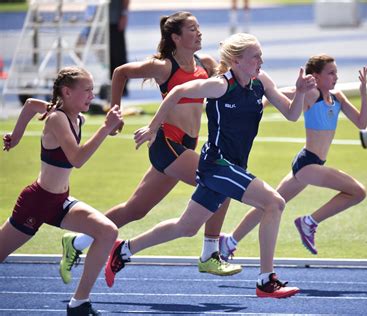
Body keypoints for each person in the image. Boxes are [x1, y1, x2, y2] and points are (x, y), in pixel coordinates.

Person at [104, 33, 316, 298]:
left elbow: (292, 114)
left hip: (233, 166)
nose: (261, 60)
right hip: (217, 164)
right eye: (255, 56)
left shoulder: (261, 81)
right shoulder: (220, 85)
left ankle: (123, 250)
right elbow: (178, 91)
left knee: (186, 227)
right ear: (237, 61)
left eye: (261, 55)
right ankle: (266, 281)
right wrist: (153, 126)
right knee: (274, 202)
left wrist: (301, 92)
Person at [59, 11, 242, 286]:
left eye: (199, 28)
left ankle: (77, 240)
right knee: (223, 182)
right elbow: (120, 73)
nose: (200, 33)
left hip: (186, 145)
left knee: (135, 209)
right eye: (193, 29)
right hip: (166, 144)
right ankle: (209, 253)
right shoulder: (163, 67)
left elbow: (230, 83)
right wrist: (115, 110)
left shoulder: (205, 62)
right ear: (176, 37)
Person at [219, 54, 367, 259]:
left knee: (269, 204)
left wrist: (363, 93)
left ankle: (229, 241)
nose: (336, 77)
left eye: (336, 72)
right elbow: (278, 94)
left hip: (311, 164)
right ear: (315, 76)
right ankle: (309, 221)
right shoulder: (311, 94)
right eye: (331, 73)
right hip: (308, 165)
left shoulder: (338, 97)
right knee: (358, 192)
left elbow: (362, 123)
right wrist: (258, 104)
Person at [0, 66, 123, 315]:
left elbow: (32, 105)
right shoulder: (57, 118)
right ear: (67, 92)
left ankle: (79, 304)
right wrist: (105, 128)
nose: (92, 94)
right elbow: (77, 159)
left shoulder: (76, 117)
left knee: (107, 231)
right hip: (36, 202)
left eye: (92, 89)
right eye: (86, 90)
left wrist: (16, 135)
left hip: (60, 202)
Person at [109, 0, 129, 95]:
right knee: (107, 56)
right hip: (100, 19)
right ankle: (110, 84)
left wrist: (124, 14)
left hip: (114, 20)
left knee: (118, 55)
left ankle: (122, 86)